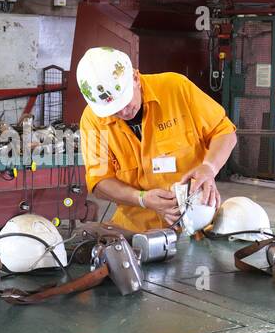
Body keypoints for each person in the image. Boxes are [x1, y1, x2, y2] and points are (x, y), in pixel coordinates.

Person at [77, 46, 237, 233]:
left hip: (197, 223)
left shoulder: (176, 88)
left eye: (125, 102)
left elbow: (225, 131)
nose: (123, 112)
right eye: (113, 110)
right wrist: (141, 198)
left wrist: (209, 168)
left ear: (135, 77)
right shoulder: (91, 119)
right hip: (135, 232)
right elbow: (99, 182)